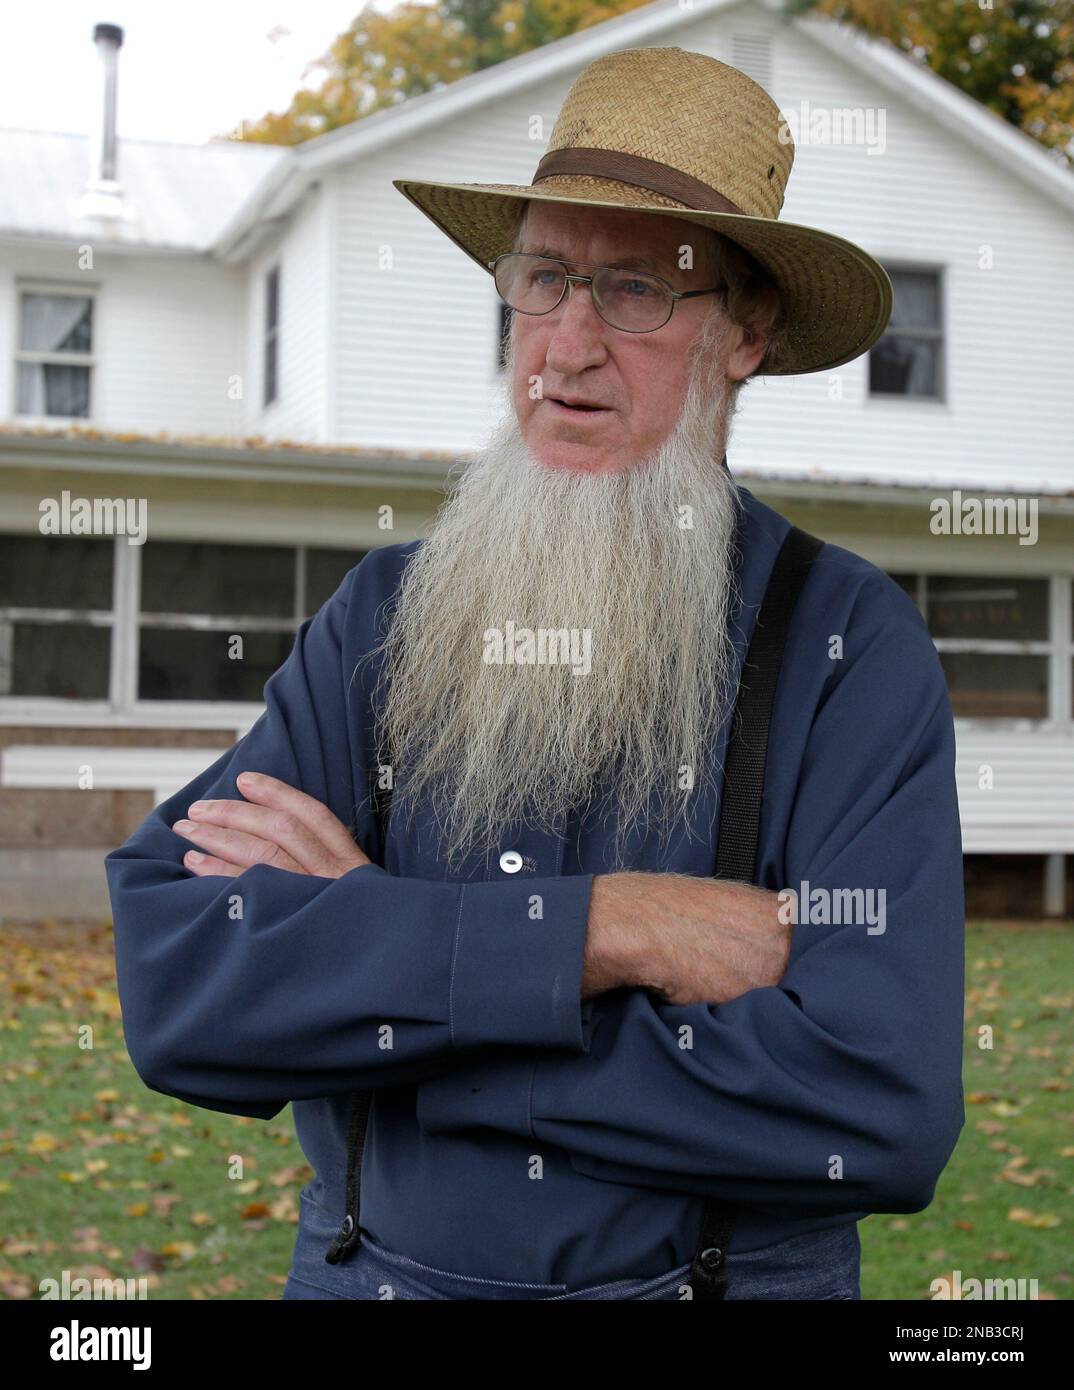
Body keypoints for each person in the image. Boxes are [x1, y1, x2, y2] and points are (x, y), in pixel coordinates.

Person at [104, 47, 965, 1301]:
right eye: (545, 278)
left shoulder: (849, 648)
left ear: (748, 331)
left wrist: (387, 980)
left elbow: (875, 1109)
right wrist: (609, 929)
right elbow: (179, 983)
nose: (565, 348)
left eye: (633, 291)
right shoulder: (385, 617)